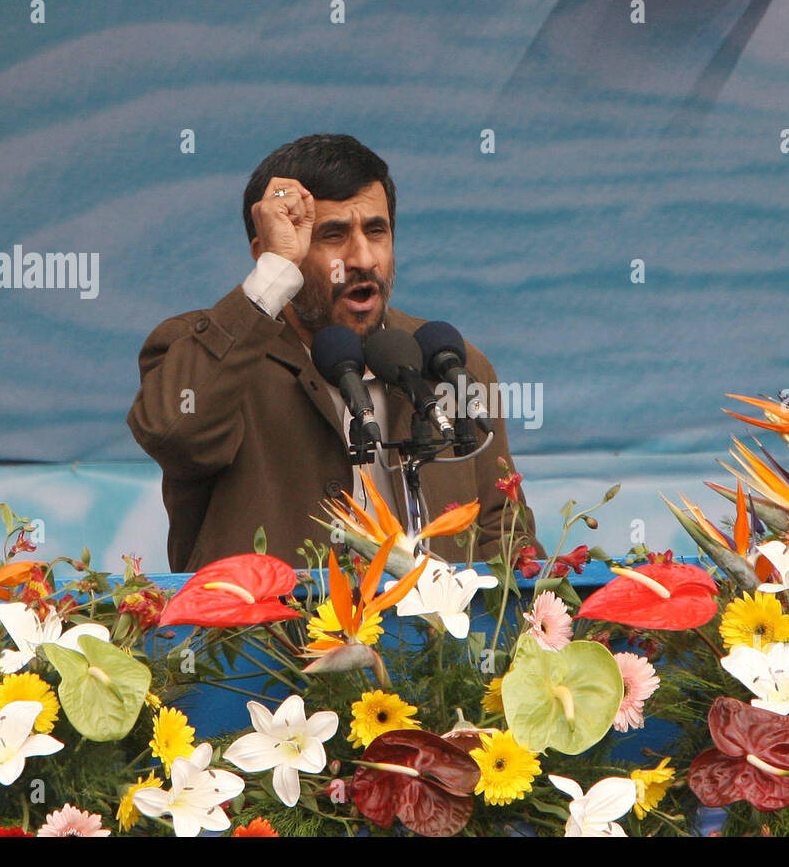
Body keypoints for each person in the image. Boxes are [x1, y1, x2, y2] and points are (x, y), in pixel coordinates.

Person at [127, 133, 538, 572]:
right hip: (271, 641)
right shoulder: (209, 351)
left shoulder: (448, 362)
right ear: (271, 254)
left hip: (432, 639)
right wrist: (272, 276)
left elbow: (504, 534)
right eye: (333, 235)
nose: (363, 258)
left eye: (376, 231)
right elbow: (175, 435)